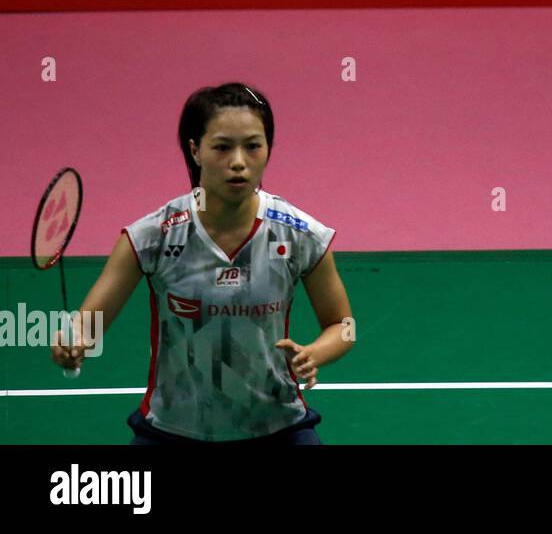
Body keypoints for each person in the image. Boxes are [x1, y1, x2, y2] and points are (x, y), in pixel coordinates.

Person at [52, 82, 355, 443]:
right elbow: (89, 325)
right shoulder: (153, 236)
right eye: (223, 147)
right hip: (173, 430)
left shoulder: (299, 235)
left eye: (253, 146)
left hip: (277, 427)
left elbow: (344, 326)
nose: (239, 162)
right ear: (196, 150)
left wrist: (313, 353)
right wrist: (72, 343)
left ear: (268, 149)